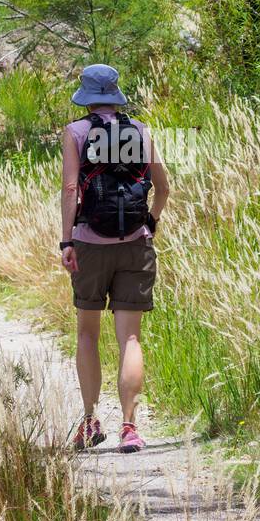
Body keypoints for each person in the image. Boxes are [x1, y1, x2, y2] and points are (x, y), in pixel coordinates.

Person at [60, 64, 169, 453]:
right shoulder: (140, 130)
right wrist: (150, 222)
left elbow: (72, 187)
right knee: (131, 337)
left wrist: (66, 241)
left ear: (86, 97)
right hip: (135, 243)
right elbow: (164, 187)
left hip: (89, 242)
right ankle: (129, 427)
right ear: (116, 94)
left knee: (88, 333)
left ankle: (90, 421)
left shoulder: (75, 132)